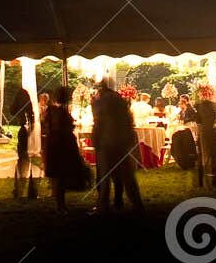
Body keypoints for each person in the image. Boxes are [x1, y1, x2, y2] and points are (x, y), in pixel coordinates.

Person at [91, 82, 143, 213]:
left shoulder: (101, 102)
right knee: (125, 175)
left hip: (106, 143)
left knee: (104, 176)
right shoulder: (120, 102)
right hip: (120, 143)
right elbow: (129, 123)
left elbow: (98, 122)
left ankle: (103, 204)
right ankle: (132, 203)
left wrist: (96, 140)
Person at [40, 86, 90, 212]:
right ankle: (60, 203)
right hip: (61, 144)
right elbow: (61, 127)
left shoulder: (55, 111)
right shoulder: (58, 112)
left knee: (59, 174)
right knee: (60, 174)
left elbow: (48, 125)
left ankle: (59, 201)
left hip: (56, 143)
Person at [7, 86, 36, 198]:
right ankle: (27, 186)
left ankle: (20, 186)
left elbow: (12, 111)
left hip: (23, 129)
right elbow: (31, 116)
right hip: (26, 130)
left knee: (22, 157)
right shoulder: (27, 105)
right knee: (25, 157)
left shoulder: (19, 105)